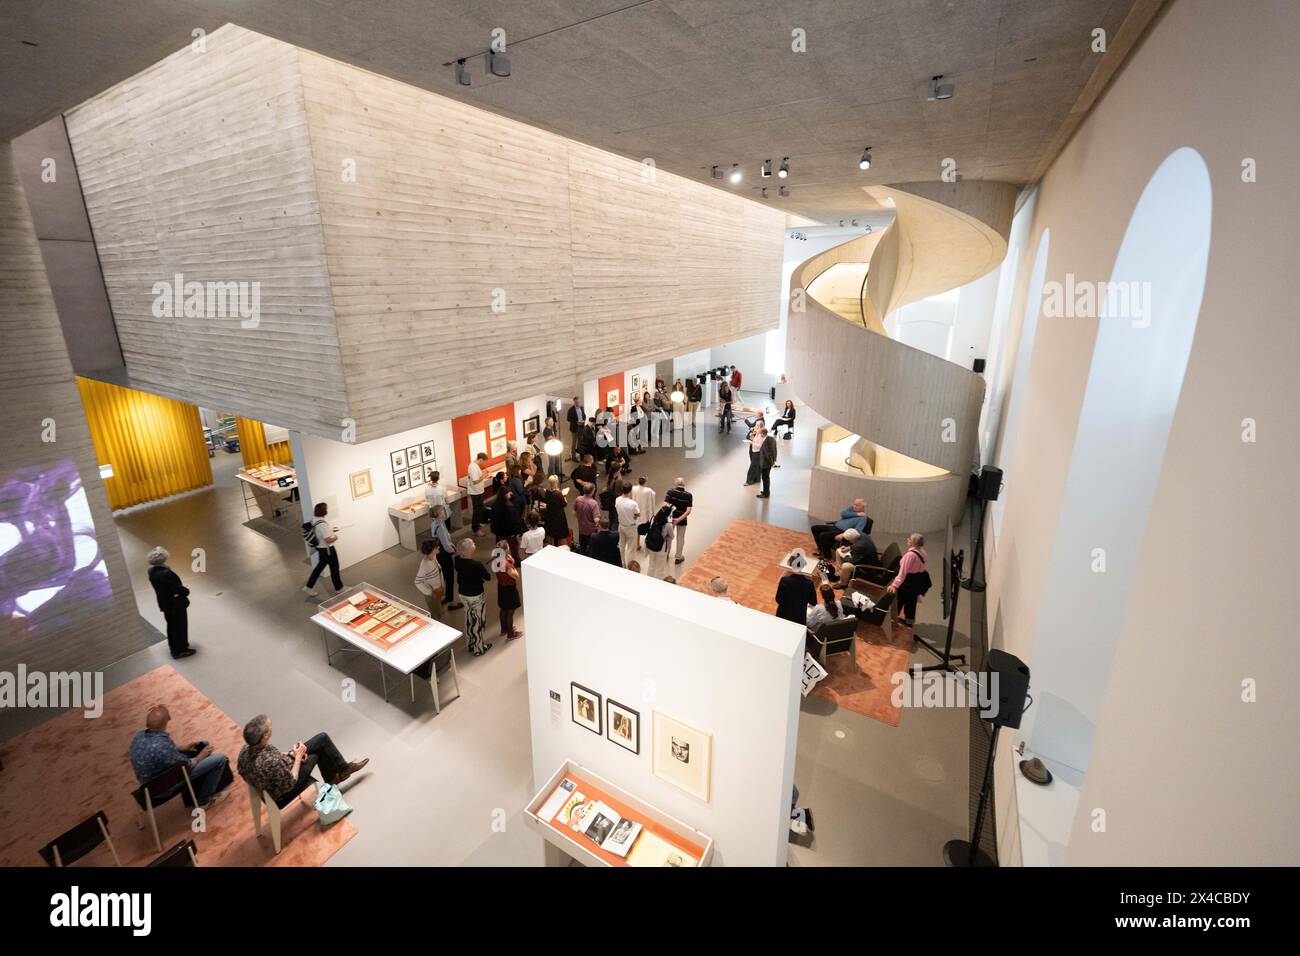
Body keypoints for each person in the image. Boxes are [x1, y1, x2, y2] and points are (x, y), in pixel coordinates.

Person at [237, 714, 367, 809]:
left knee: (321, 738)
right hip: (286, 789)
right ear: (265, 735)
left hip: (277, 774)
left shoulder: (245, 750)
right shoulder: (270, 762)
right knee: (320, 749)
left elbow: (274, 756)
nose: (272, 728)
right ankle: (335, 778)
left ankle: (341, 771)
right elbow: (291, 780)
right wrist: (298, 757)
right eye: (270, 727)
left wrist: (291, 753)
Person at [130, 704, 230, 806]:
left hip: (148, 786)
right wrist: (201, 756)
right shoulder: (161, 745)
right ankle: (204, 801)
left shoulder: (138, 737)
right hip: (163, 785)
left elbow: (162, 754)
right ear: (167, 720)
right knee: (220, 759)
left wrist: (182, 748)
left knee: (204, 744)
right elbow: (185, 766)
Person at [147, 547, 194, 659]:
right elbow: (178, 589)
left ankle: (173, 647)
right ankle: (181, 649)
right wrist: (186, 591)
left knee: (171, 625)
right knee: (180, 626)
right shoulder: (167, 574)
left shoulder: (151, 572)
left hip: (164, 603)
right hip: (175, 604)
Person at [454, 538, 493, 655]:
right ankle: (479, 648)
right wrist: (479, 578)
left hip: (462, 594)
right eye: (473, 543)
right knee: (478, 621)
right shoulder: (476, 565)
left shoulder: (457, 560)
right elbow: (488, 577)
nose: (475, 544)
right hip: (476, 595)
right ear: (470, 549)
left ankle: (470, 644)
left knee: (468, 618)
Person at [887, 533, 930, 629]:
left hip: (908, 581)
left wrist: (894, 585)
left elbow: (903, 573)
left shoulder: (910, 555)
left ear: (914, 543)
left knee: (900, 599)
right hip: (916, 580)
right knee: (911, 601)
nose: (907, 540)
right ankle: (909, 622)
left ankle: (893, 618)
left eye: (909, 539)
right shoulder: (922, 551)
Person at [303, 502, 343, 596]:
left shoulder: (314, 519)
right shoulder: (322, 524)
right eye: (326, 509)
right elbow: (328, 540)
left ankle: (308, 586)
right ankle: (339, 588)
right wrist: (335, 537)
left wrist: (330, 530)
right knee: (334, 568)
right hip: (328, 549)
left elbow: (319, 533)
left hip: (321, 549)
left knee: (319, 568)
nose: (327, 510)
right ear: (324, 511)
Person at [429, 504, 460, 610]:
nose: (444, 512)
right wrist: (453, 551)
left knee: (445, 575)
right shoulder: (440, 527)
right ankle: (450, 600)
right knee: (449, 576)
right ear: (438, 514)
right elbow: (445, 544)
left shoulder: (436, 523)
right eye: (442, 511)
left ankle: (446, 596)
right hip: (444, 554)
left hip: (440, 553)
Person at [490, 472, 522, 565]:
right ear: (505, 494)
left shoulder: (494, 505)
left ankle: (501, 561)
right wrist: (517, 532)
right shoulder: (509, 507)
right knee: (514, 547)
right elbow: (514, 521)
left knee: (501, 547)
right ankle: (516, 562)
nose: (511, 493)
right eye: (509, 492)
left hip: (500, 532)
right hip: (509, 532)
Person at [494, 541, 522, 640]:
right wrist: (512, 565)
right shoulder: (506, 564)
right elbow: (516, 576)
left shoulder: (496, 560)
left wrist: (511, 561)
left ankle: (504, 629)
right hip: (509, 589)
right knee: (510, 611)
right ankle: (511, 634)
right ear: (506, 550)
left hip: (501, 586)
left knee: (503, 608)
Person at [664, 477, 693, 565]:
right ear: (683, 484)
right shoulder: (688, 495)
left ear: (676, 484)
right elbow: (688, 511)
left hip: (670, 518)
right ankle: (678, 557)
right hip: (682, 519)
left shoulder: (670, 492)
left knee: (669, 536)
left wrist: (670, 516)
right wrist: (679, 519)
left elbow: (665, 505)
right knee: (680, 538)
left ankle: (666, 555)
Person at [643, 503, 674, 579]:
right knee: (660, 568)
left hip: (651, 546)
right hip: (661, 549)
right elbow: (672, 536)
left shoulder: (654, 519)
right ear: (667, 515)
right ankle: (658, 582)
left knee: (651, 565)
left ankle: (649, 579)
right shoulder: (668, 525)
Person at [615, 480, 641, 568]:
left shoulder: (617, 499)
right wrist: (634, 517)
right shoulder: (633, 503)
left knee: (621, 545)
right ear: (630, 491)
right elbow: (637, 514)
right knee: (631, 548)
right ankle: (630, 566)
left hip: (621, 525)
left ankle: (622, 563)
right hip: (631, 527)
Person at [542, 475, 570, 546]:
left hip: (550, 513)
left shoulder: (547, 491)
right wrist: (564, 496)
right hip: (559, 515)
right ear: (556, 482)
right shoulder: (558, 494)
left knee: (552, 531)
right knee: (561, 534)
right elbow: (564, 504)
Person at [467, 452, 489, 535]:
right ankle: (475, 529)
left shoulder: (475, 466)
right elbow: (475, 481)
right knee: (477, 511)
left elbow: (476, 477)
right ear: (480, 459)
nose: (483, 463)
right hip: (475, 492)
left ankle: (477, 524)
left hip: (479, 491)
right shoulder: (472, 467)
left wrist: (482, 473)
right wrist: (484, 476)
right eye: (483, 461)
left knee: (480, 509)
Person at [574, 484, 600, 554]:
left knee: (582, 548)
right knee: (592, 549)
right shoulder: (594, 503)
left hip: (581, 528)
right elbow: (596, 520)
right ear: (592, 492)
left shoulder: (578, 499)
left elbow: (574, 512)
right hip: (591, 531)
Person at [631, 476, 656, 549]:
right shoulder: (648, 490)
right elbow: (653, 494)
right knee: (646, 529)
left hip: (635, 512)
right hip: (644, 513)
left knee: (636, 529)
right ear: (645, 482)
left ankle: (637, 544)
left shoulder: (633, 488)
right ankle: (647, 543)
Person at [757, 426, 778, 498]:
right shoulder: (771, 439)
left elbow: (768, 454)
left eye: (760, 434)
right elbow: (775, 450)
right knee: (766, 478)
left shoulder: (766, 442)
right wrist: (774, 460)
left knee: (765, 478)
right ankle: (766, 491)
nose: (760, 435)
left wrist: (772, 463)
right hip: (769, 462)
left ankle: (766, 494)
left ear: (763, 433)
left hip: (766, 463)